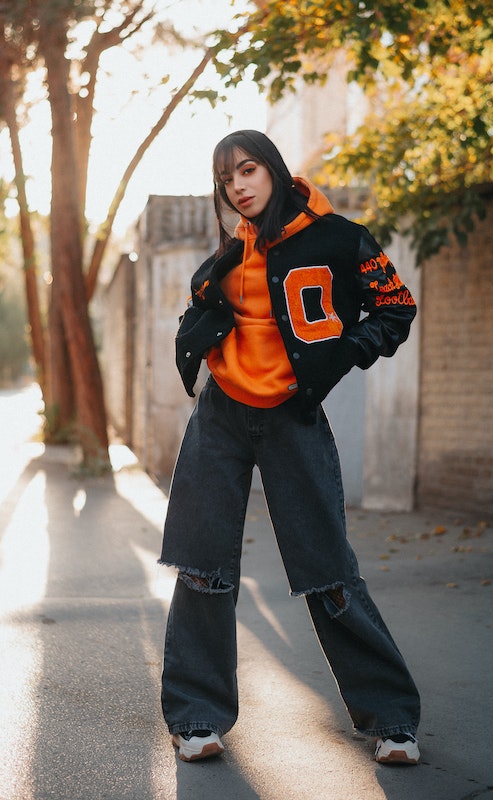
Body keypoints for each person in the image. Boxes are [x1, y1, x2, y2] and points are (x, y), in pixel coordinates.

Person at [159, 130, 421, 765]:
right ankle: (198, 717)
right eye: (227, 179)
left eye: (248, 171)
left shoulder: (339, 237)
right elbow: (203, 309)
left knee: (328, 569)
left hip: (292, 416)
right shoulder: (230, 250)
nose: (239, 186)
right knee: (202, 565)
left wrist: (346, 352)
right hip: (220, 416)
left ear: (273, 170)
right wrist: (195, 336)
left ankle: (391, 722)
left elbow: (395, 308)